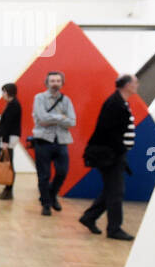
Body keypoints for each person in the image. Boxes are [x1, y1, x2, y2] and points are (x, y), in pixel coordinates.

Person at [79, 74, 139, 241]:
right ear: (127, 85)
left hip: (114, 153)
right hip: (110, 154)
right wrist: (120, 151)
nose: (137, 85)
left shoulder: (120, 102)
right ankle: (114, 228)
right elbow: (109, 131)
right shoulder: (115, 104)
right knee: (116, 192)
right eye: (135, 82)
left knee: (111, 190)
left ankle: (89, 217)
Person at [30, 70, 77, 216]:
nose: (55, 84)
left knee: (62, 172)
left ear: (62, 83)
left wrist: (53, 119)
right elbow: (42, 118)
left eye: (58, 81)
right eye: (52, 81)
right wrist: (61, 117)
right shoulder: (39, 98)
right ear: (47, 83)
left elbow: (72, 121)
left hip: (61, 140)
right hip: (43, 140)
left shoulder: (66, 100)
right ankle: (46, 204)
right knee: (44, 175)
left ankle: (51, 194)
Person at [0, 82, 22, 201]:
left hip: (9, 138)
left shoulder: (14, 105)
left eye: (4, 91)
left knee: (8, 164)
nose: (3, 94)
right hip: (7, 137)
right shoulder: (11, 104)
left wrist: (5, 141)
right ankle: (7, 189)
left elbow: (9, 125)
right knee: (7, 162)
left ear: (8, 92)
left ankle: (8, 190)